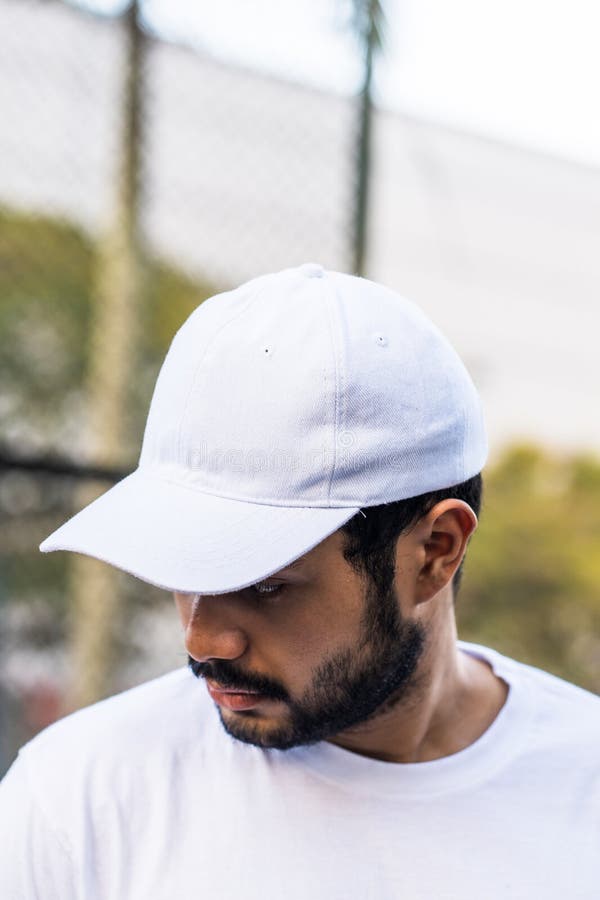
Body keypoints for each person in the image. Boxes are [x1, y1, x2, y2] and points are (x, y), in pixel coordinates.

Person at [0, 264, 598, 898]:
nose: (203, 640)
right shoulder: (79, 802)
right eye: (184, 569)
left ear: (435, 552)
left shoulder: (581, 790)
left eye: (264, 584)